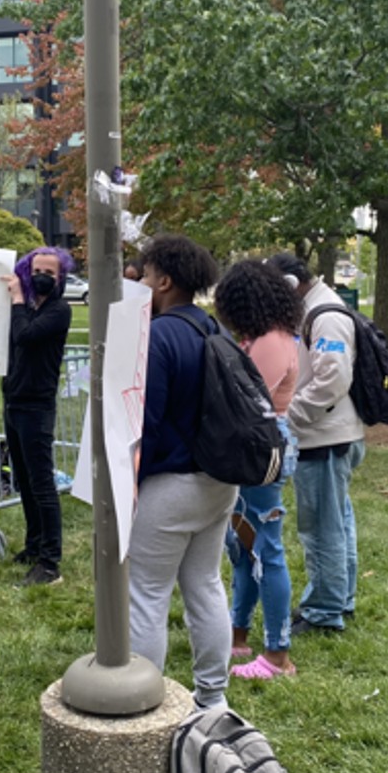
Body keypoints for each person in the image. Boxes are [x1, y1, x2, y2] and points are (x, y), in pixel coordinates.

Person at [128, 233, 237, 711]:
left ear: (164, 280)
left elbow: (144, 424)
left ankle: (145, 700)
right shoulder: (216, 332)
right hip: (219, 482)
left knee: (147, 595)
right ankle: (212, 699)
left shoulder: (157, 337)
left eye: (146, 275)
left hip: (168, 485)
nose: (142, 283)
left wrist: (128, 481)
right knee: (206, 584)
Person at [266, 253, 364, 636]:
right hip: (331, 434)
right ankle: (340, 597)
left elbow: (332, 380)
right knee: (337, 522)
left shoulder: (326, 317)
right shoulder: (319, 312)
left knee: (322, 529)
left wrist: (290, 416)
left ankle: (324, 610)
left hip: (325, 438)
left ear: (290, 285)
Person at [213, 260, 302, 679]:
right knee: (243, 550)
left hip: (260, 451)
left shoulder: (269, 341)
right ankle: (238, 635)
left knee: (265, 550)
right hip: (256, 448)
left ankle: (278, 655)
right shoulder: (271, 336)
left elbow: (246, 400)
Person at [2, 247, 74, 587]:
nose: (42, 276)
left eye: (51, 271)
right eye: (37, 270)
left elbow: (25, 337)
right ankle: (33, 545)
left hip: (36, 405)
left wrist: (17, 299)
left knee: (43, 484)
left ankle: (50, 562)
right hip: (14, 402)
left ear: (60, 278)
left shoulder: (59, 310)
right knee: (26, 481)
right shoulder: (28, 308)